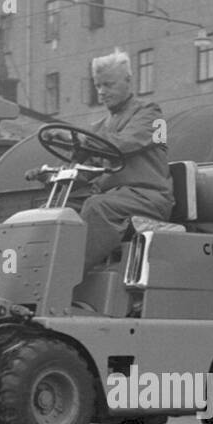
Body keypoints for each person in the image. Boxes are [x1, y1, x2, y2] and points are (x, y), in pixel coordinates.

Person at [74, 50, 175, 269]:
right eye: (98, 86)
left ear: (128, 81)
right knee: (57, 211)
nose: (101, 92)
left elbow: (122, 145)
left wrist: (82, 140)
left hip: (147, 198)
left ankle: (69, 275)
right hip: (116, 199)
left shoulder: (152, 114)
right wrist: (53, 174)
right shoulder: (100, 127)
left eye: (108, 85)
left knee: (96, 207)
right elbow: (86, 170)